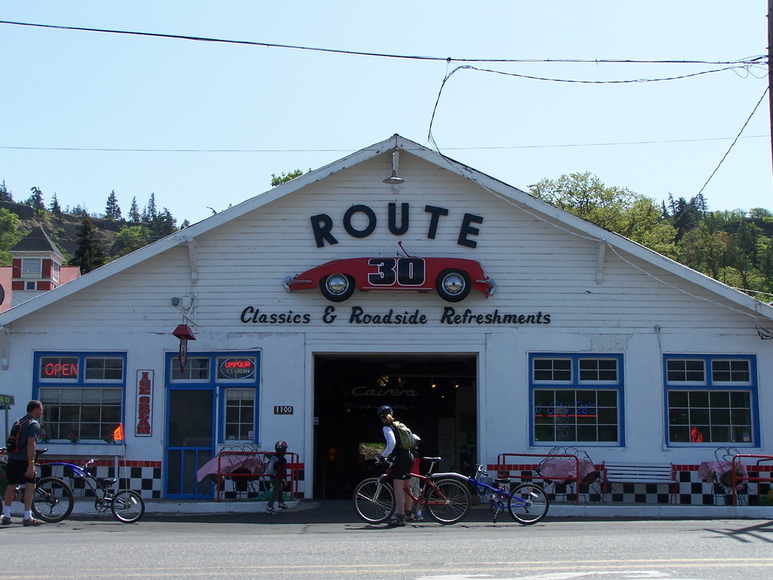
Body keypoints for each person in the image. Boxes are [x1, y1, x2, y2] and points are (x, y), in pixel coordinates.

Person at [2, 400, 44, 526]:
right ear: (35, 409)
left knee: (11, 485)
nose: (42, 411)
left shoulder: (18, 421)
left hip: (13, 458)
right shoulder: (33, 424)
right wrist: (31, 463)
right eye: (41, 409)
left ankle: (7, 515)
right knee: (30, 486)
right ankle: (27, 516)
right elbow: (31, 444)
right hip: (24, 460)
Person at [376, 405, 414, 526]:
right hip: (409, 456)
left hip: (400, 459)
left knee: (398, 488)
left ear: (381, 417)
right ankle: (409, 513)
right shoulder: (399, 425)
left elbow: (392, 443)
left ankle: (400, 516)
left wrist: (383, 456)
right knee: (407, 486)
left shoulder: (387, 427)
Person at [265, 441, 289, 514]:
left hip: (272, 476)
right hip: (278, 477)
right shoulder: (283, 459)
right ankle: (269, 506)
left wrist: (264, 453)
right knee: (275, 491)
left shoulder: (273, 456)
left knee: (279, 489)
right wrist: (285, 479)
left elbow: (267, 455)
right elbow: (283, 470)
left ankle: (281, 502)